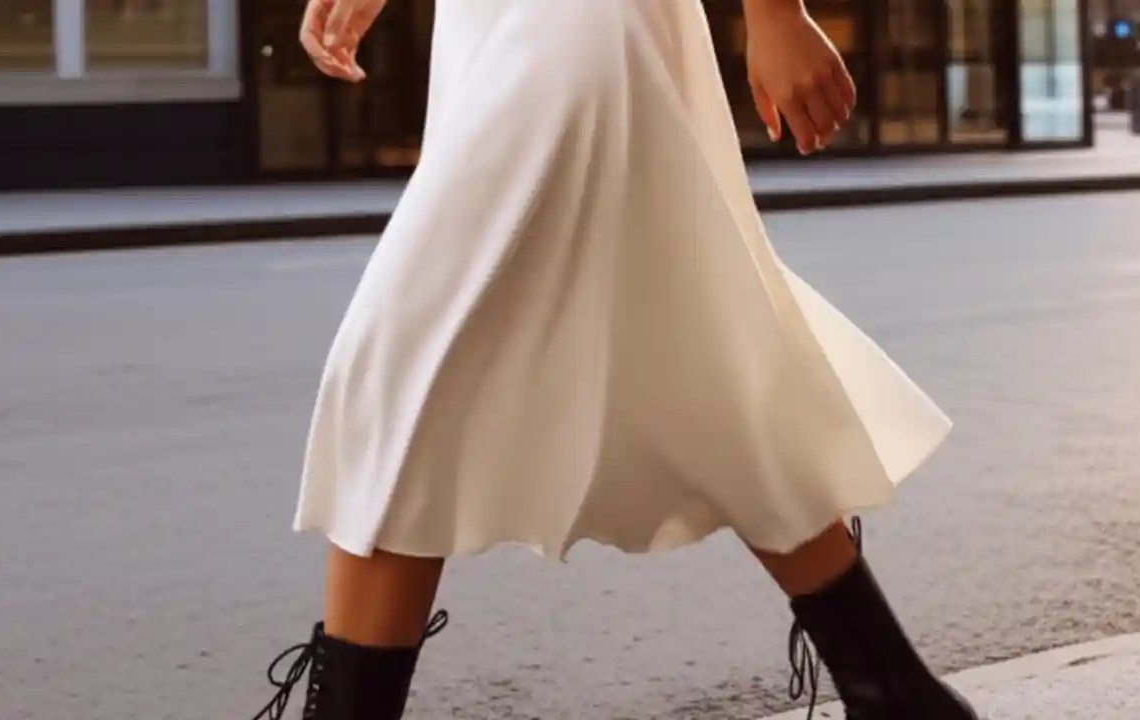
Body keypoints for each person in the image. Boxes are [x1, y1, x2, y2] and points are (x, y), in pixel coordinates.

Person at [253, 1, 980, 719]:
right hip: (487, 27)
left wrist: (775, 12)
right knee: (696, 351)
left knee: (399, 367)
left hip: (576, 28)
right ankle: (897, 694)